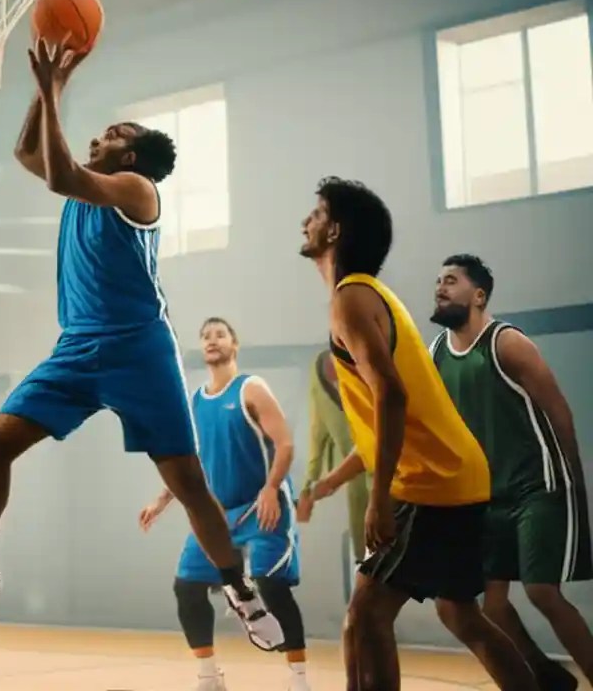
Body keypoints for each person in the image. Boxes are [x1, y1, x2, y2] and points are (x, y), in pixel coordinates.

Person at [0, 38, 283, 651]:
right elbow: (27, 152)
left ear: (131, 154)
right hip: (78, 349)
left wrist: (50, 90)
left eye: (114, 132)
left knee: (189, 484)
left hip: (141, 350)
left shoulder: (137, 190)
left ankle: (238, 588)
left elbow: (57, 170)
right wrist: (49, 88)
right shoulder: (85, 183)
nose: (100, 136)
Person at [297, 176, 536, 691]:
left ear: (335, 230)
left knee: (366, 616)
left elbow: (392, 394)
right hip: (455, 474)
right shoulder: (367, 295)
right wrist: (336, 482)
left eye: (315, 213)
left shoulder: (351, 298)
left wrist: (378, 498)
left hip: (429, 480)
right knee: (460, 614)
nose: (306, 221)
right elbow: (377, 416)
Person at [429, 253, 591, 690]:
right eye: (438, 281)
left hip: (538, 486)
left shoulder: (507, 343)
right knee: (491, 605)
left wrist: (571, 482)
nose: (440, 287)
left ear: (478, 295)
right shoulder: (437, 353)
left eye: (451, 280)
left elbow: (558, 408)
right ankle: (547, 677)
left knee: (542, 592)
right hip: (486, 495)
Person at [139, 318, 309, 690]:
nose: (212, 340)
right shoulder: (196, 402)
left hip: (262, 504)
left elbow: (285, 444)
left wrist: (271, 488)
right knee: (187, 588)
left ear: (235, 344)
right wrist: (162, 499)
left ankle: (299, 678)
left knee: (271, 584)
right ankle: (209, 677)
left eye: (219, 334)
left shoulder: (251, 388)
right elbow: (190, 462)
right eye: (205, 336)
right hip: (217, 515)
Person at [296, 348, 370, 563]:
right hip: (353, 486)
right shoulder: (320, 375)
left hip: (392, 481)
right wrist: (309, 486)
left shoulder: (375, 368)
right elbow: (317, 432)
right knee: (365, 560)